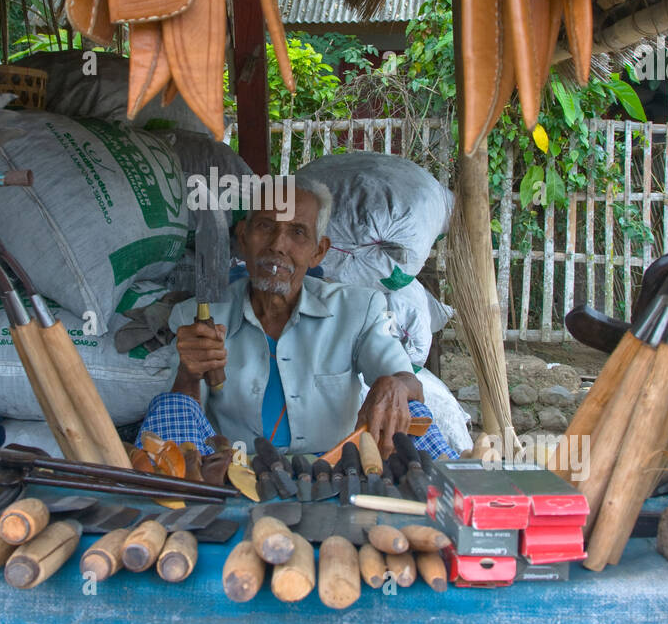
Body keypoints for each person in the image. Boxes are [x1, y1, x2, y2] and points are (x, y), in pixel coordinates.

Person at [137, 175, 461, 459]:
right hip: (232, 472)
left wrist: (394, 384)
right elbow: (184, 418)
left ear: (318, 252)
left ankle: (454, 509)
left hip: (335, 469)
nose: (278, 245)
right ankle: (175, 511)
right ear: (243, 237)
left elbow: (409, 383)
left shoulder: (357, 310)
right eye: (265, 227)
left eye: (297, 233)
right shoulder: (198, 318)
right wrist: (190, 374)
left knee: (410, 410)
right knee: (170, 408)